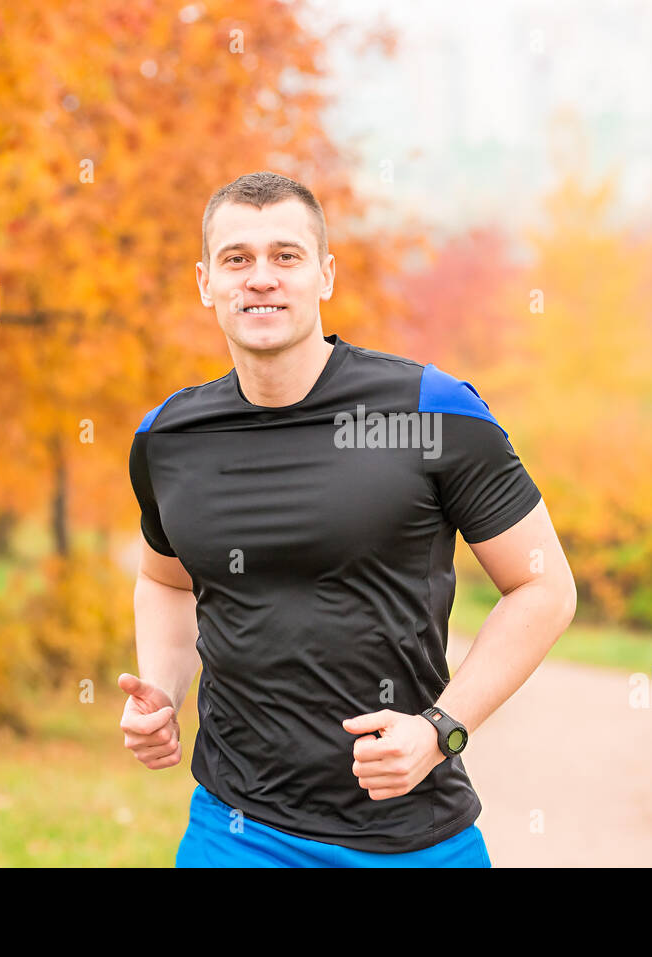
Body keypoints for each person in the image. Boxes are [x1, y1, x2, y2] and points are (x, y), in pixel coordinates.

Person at [123, 171, 577, 867]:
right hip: (236, 829)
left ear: (325, 275)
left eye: (286, 255)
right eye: (237, 258)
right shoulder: (168, 438)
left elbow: (544, 586)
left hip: (412, 837)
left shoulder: (432, 410)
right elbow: (166, 581)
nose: (261, 277)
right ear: (206, 282)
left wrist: (440, 730)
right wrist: (161, 687)